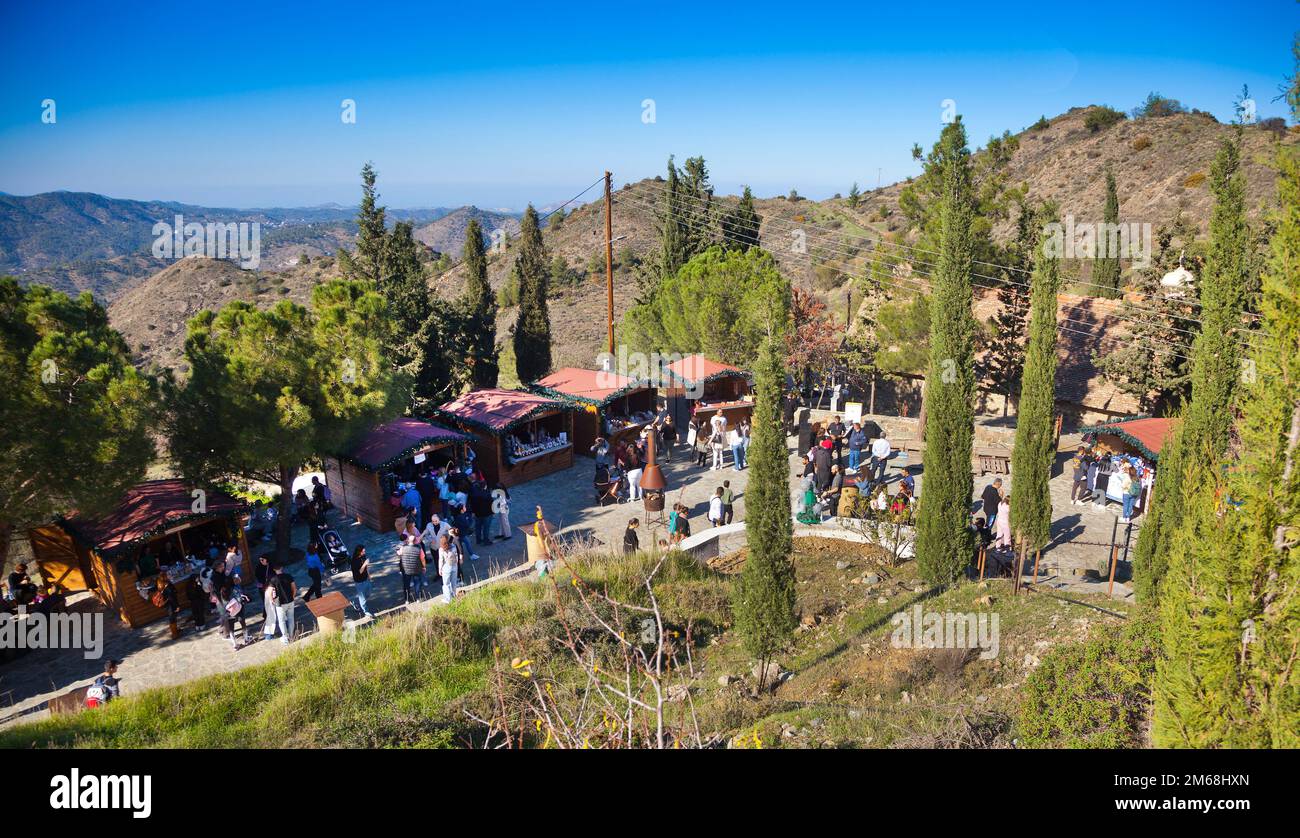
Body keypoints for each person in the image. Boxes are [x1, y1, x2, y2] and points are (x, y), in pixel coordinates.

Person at [221, 582, 251, 649]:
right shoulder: (233, 591)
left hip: (230, 614)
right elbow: (239, 599)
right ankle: (246, 639)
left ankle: (235, 645)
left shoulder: (223, 597)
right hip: (239, 611)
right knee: (243, 624)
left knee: (231, 629)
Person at [398, 534, 426, 603]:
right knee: (417, 584)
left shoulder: (403, 548)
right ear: (415, 541)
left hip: (406, 569)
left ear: (408, 540)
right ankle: (418, 598)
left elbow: (399, 554)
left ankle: (407, 599)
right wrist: (424, 567)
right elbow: (423, 559)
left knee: (406, 585)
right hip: (416, 569)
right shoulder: (419, 548)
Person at [351, 545, 375, 619]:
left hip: (366, 579)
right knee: (363, 599)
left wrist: (369, 576)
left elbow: (366, 568)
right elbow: (359, 572)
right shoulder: (354, 561)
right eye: (363, 551)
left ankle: (355, 602)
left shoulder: (363, 556)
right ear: (359, 552)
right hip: (359, 581)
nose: (364, 552)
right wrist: (364, 564)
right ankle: (366, 612)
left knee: (368, 593)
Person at [470, 481, 494, 546]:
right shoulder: (487, 494)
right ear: (485, 486)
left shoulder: (474, 494)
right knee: (486, 527)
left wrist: (473, 512)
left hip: (478, 514)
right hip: (487, 514)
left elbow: (472, 504)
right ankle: (486, 540)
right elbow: (492, 504)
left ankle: (478, 540)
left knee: (478, 527)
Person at [438, 534, 460, 604]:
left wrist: (440, 569)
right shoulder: (453, 546)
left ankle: (448, 599)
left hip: (446, 567)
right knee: (453, 582)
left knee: (446, 584)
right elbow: (456, 555)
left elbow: (441, 560)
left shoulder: (441, 549)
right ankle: (453, 596)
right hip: (454, 566)